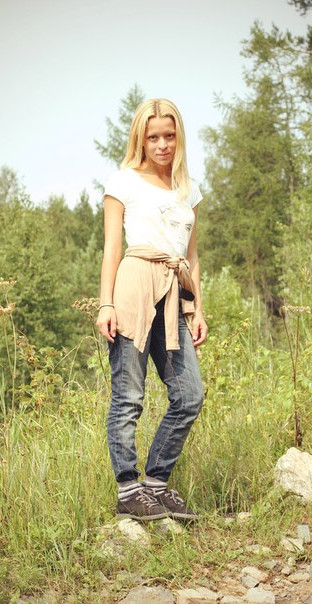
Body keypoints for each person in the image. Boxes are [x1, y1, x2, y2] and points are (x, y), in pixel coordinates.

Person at [97, 98, 207, 521]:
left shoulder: (188, 189)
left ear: (178, 137)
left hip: (175, 294)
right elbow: (112, 248)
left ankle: (156, 484)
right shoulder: (122, 181)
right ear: (141, 139)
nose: (162, 144)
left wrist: (198, 310)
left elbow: (192, 256)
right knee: (129, 396)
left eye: (169, 135)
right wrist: (106, 303)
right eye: (153, 137)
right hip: (135, 286)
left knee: (189, 395)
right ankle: (128, 490)